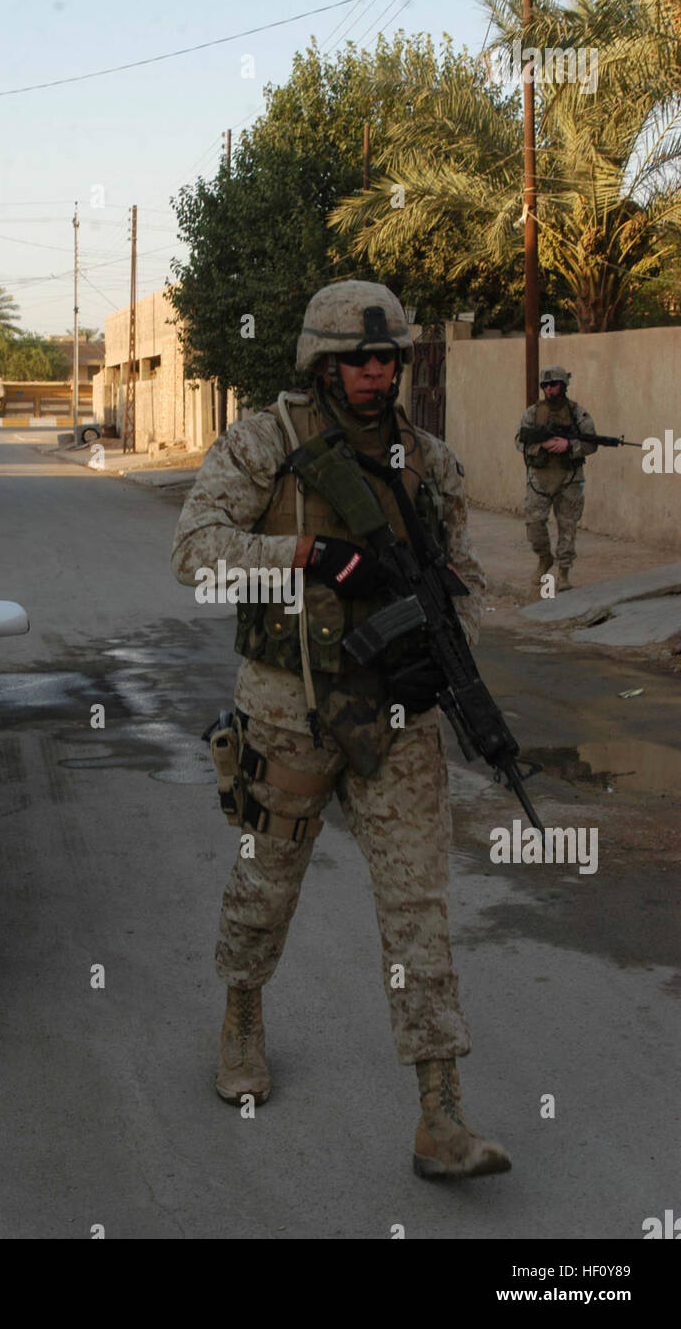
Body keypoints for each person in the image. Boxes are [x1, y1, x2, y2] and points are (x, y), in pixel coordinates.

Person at [170, 281, 511, 1180]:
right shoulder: (265, 443)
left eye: (387, 357)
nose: (375, 372)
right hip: (289, 714)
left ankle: (440, 1113)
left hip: (398, 722)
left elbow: (466, 579)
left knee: (418, 912)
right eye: (357, 359)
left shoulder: (428, 462)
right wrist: (304, 555)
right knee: (265, 886)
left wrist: (442, 651)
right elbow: (195, 557)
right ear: (321, 364)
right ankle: (242, 1014)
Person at [516, 366, 597, 592]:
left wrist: (569, 445)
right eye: (546, 386)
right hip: (539, 479)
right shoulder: (532, 413)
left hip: (569, 478)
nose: (550, 390)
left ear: (564, 386)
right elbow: (519, 441)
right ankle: (544, 557)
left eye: (554, 385)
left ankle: (563, 572)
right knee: (533, 523)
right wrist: (540, 444)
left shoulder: (577, 413)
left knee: (568, 526)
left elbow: (592, 443)